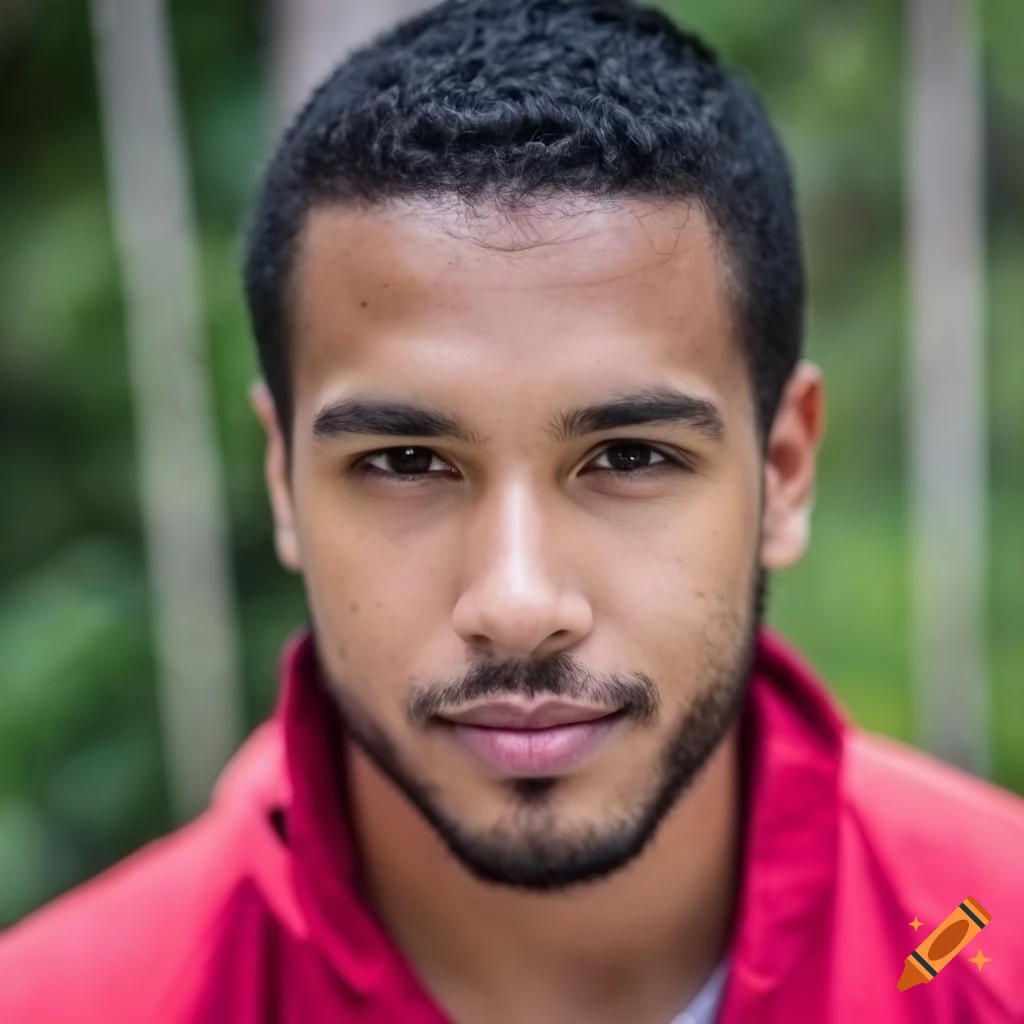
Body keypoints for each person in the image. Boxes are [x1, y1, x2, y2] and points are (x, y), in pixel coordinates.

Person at [2, 0, 1022, 1021]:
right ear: (284, 482)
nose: (518, 602)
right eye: (405, 461)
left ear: (784, 470)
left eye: (628, 456)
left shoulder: (990, 941)